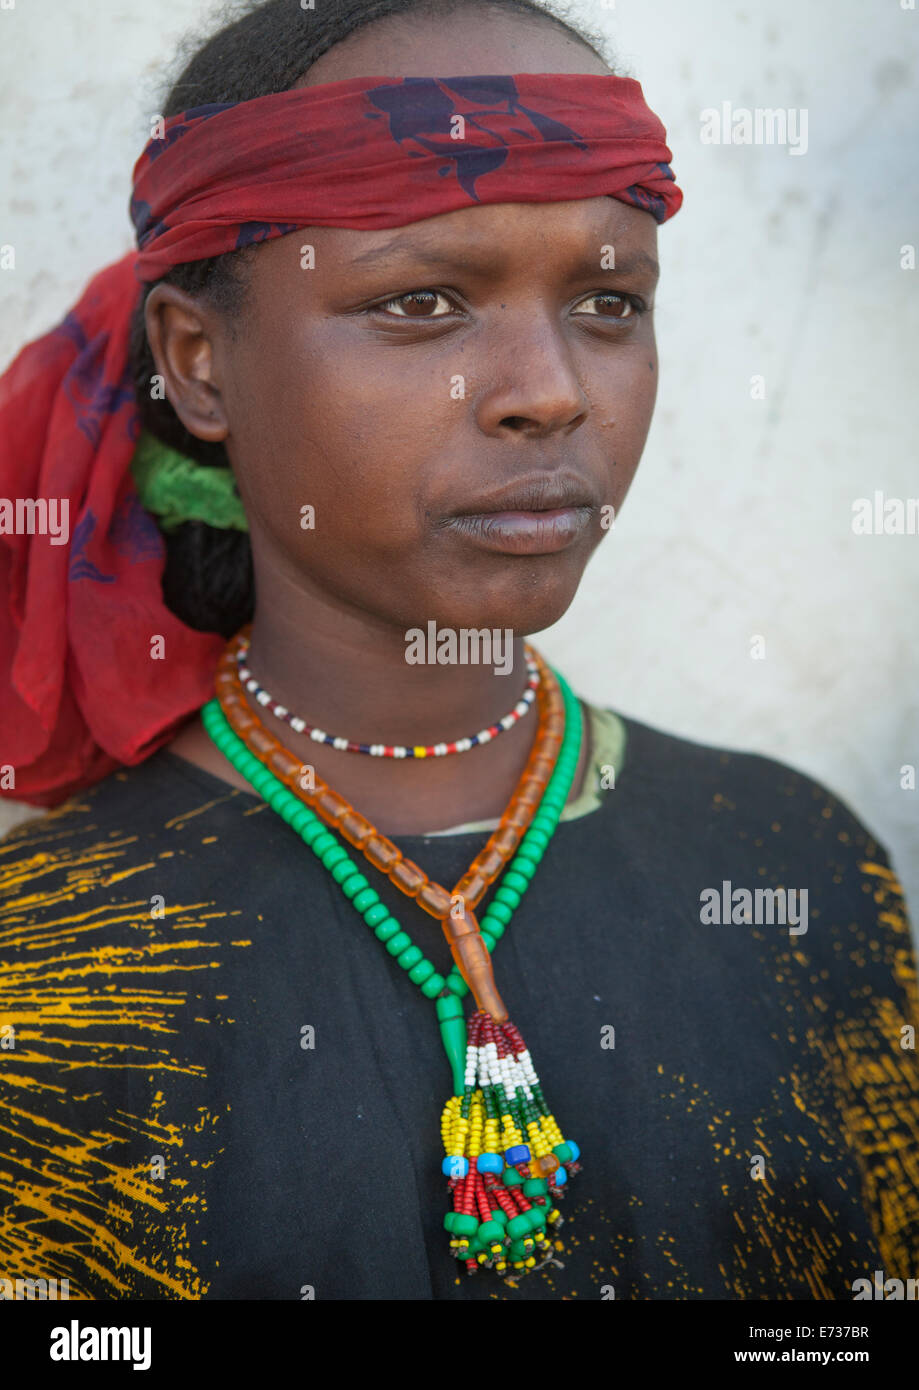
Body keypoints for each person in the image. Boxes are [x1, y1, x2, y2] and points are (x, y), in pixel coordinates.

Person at [0, 0, 916, 1303]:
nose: (549, 387)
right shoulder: (43, 968)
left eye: (609, 299)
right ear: (198, 363)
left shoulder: (798, 865)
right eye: (421, 300)